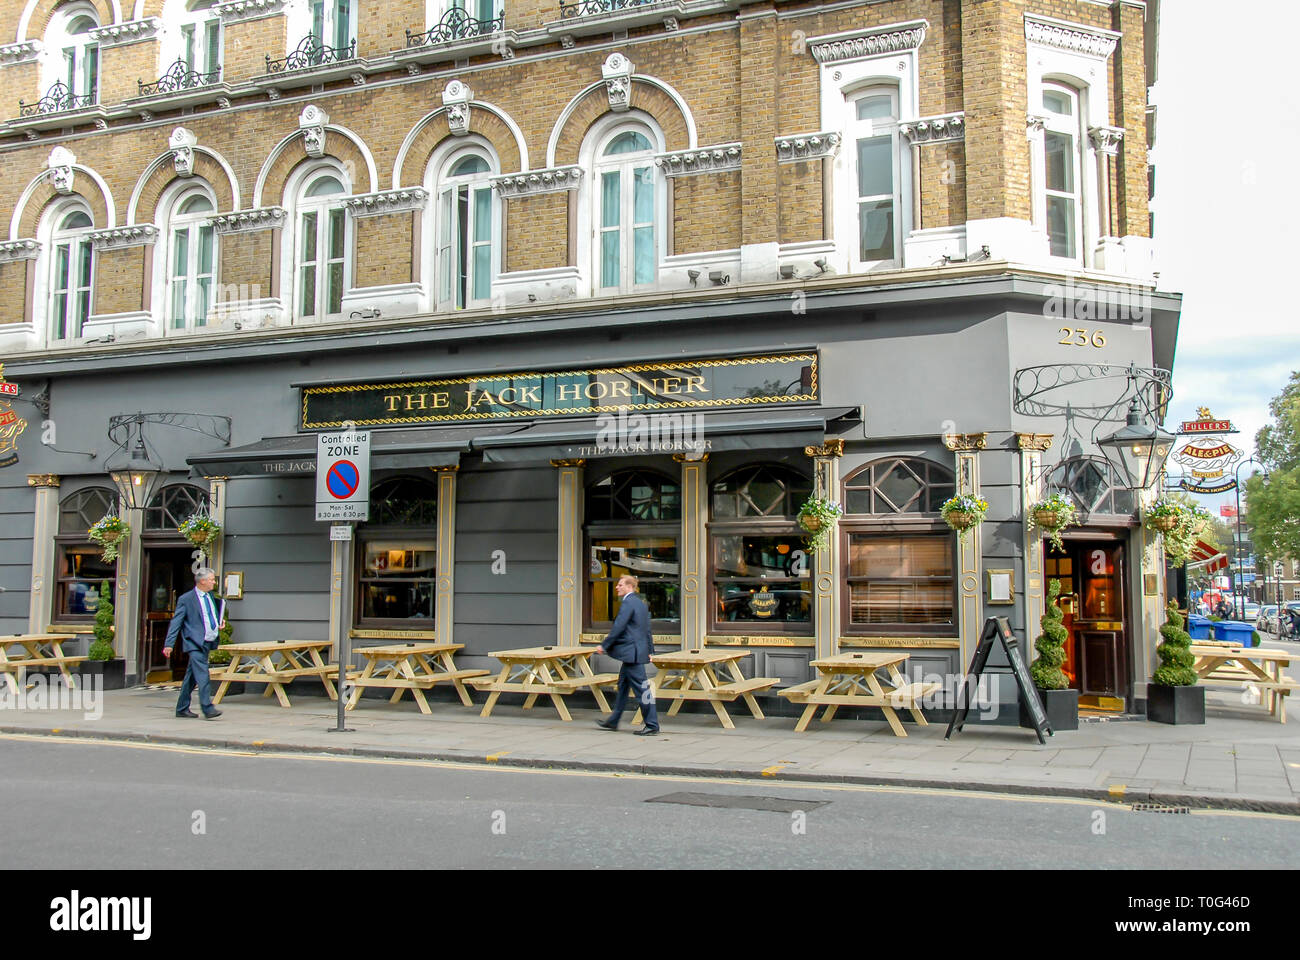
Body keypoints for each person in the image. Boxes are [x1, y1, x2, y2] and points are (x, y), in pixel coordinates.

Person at [594, 574, 660, 736]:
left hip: (631, 654)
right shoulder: (640, 604)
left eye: (621, 585)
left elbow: (619, 626)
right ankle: (614, 721)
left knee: (642, 689)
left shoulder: (628, 603)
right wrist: (650, 650)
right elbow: (647, 629)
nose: (617, 587)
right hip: (636, 652)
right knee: (623, 686)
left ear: (630, 587)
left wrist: (605, 645)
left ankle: (652, 725)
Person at [164, 567, 225, 720]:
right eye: (211, 579)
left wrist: (219, 622)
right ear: (202, 581)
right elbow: (176, 622)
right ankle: (207, 708)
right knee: (203, 674)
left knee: (191, 677)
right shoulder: (186, 599)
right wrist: (169, 644)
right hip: (194, 642)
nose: (214, 582)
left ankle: (182, 708)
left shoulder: (210, 596)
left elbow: (209, 614)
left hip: (208, 641)